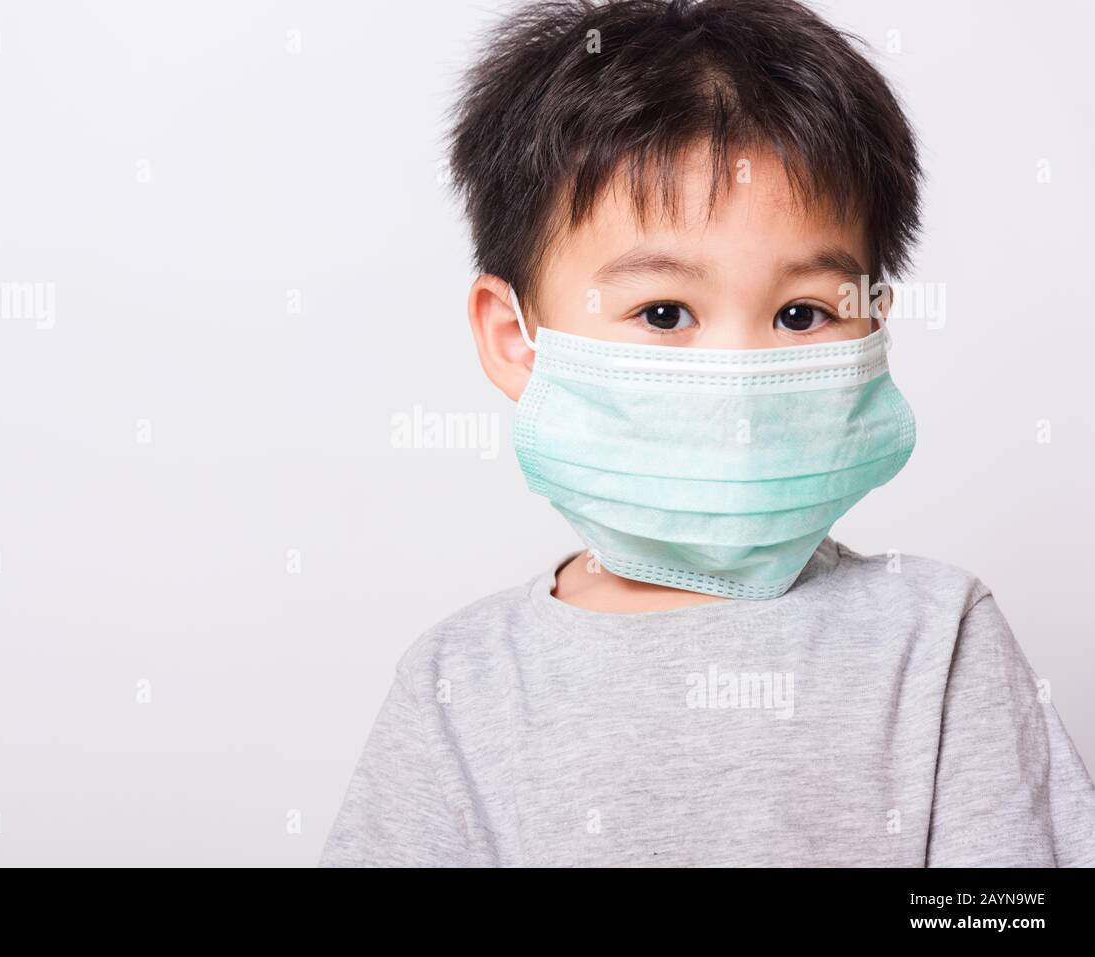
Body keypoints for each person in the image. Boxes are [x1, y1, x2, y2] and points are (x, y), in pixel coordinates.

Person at [319, 0, 1095, 866]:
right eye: (663, 311)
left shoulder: (941, 641)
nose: (738, 380)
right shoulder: (458, 685)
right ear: (515, 340)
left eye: (801, 313)